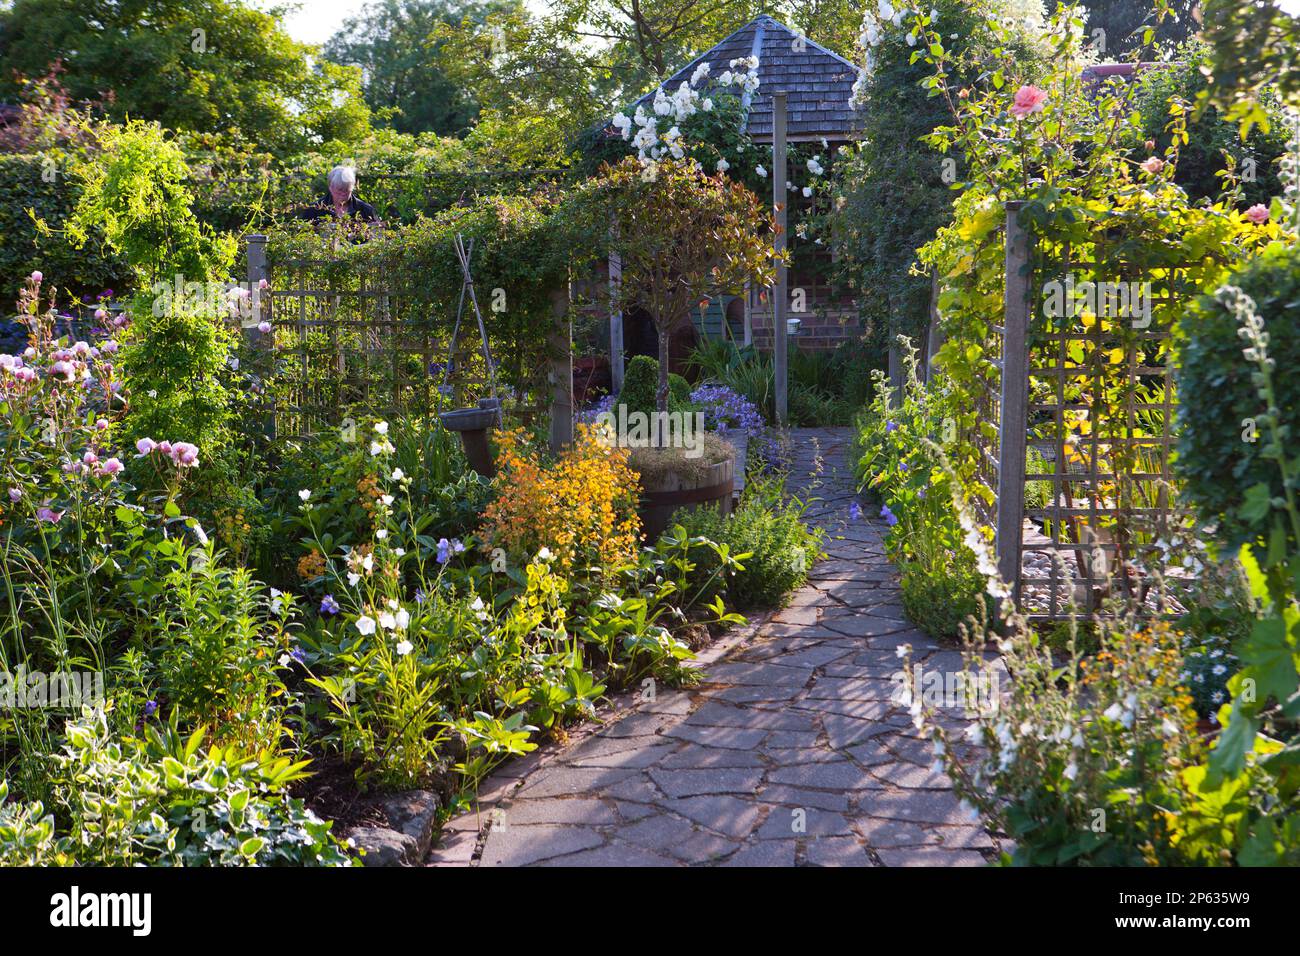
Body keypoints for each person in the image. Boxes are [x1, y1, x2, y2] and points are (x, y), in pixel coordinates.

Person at [299, 165, 381, 224]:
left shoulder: (365, 210)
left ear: (352, 188)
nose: (342, 194)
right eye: (339, 190)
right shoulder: (314, 210)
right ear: (330, 187)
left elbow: (376, 238)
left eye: (346, 190)